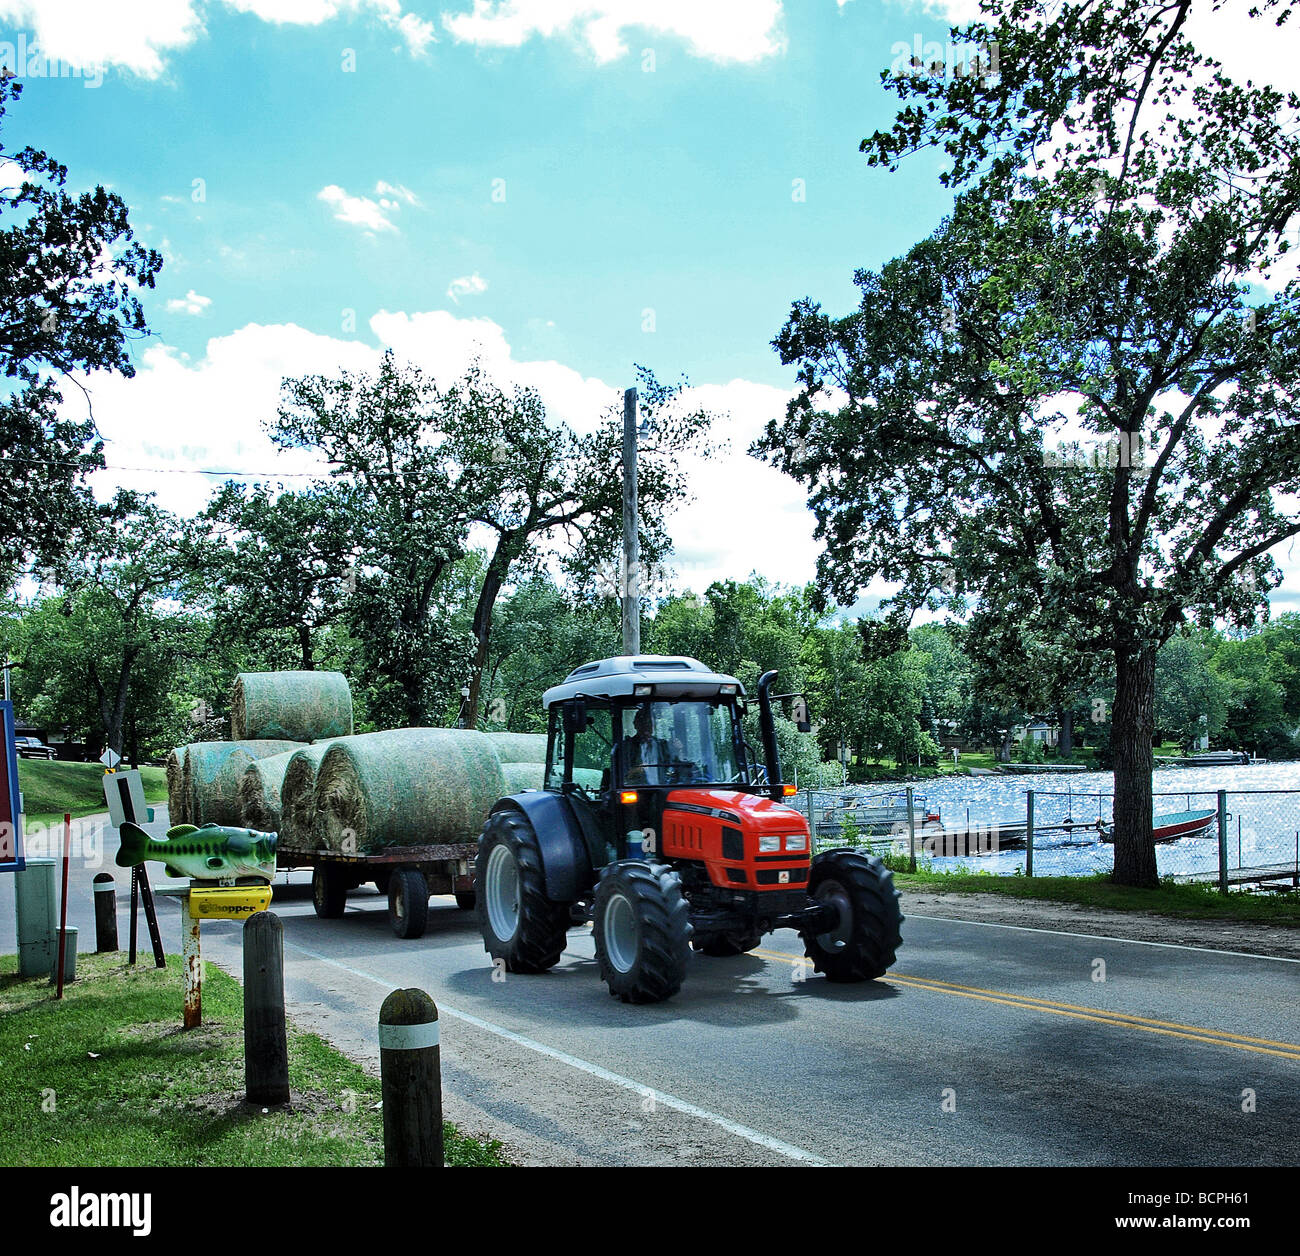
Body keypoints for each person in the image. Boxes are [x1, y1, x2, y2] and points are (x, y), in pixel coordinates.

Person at [620, 705, 671, 785]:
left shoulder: (662, 745)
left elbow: (671, 767)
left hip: (663, 787)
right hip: (638, 789)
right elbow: (623, 773)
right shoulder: (627, 746)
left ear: (653, 725)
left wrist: (679, 751)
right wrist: (637, 769)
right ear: (635, 725)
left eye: (650, 723)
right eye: (643, 723)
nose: (647, 726)